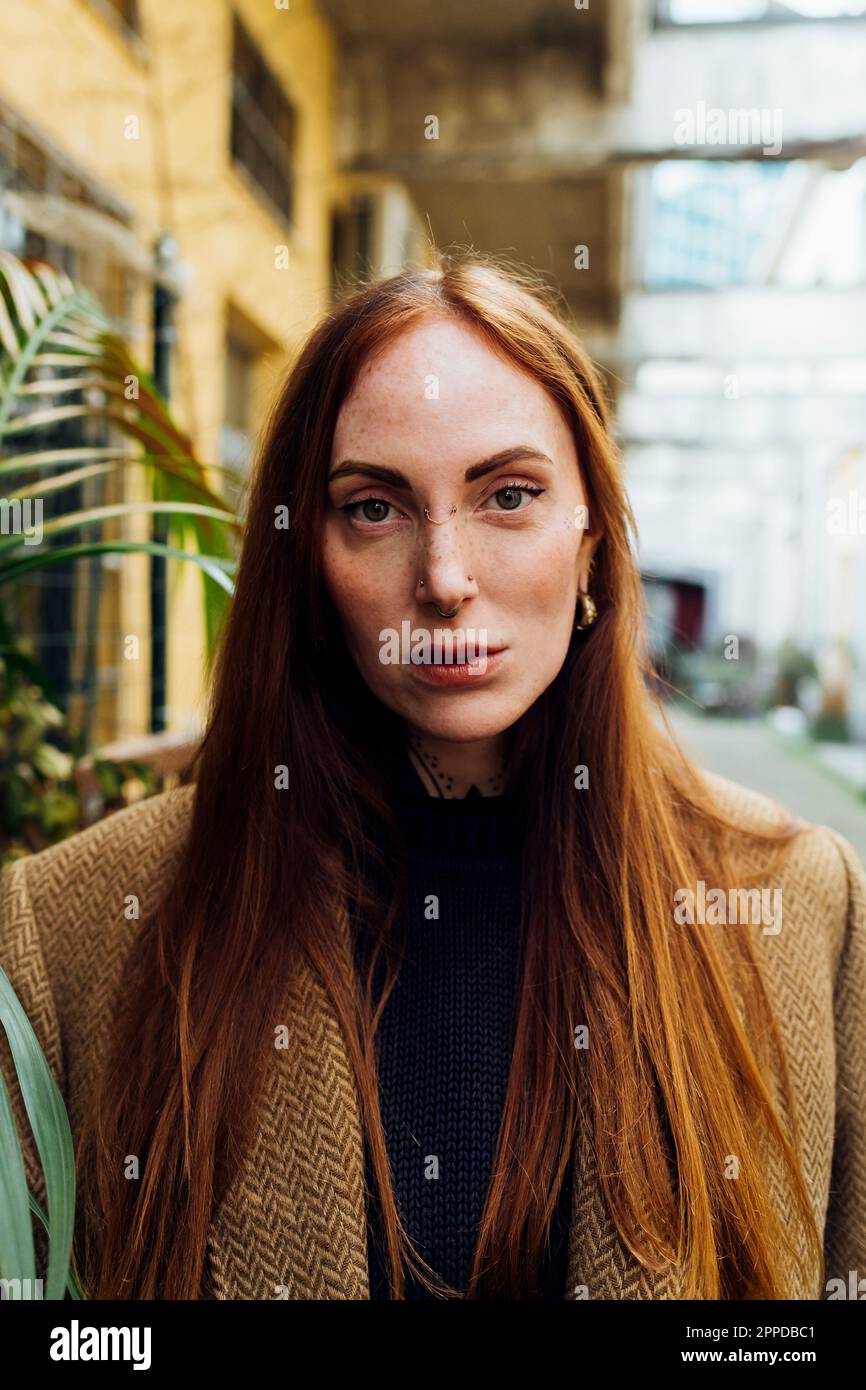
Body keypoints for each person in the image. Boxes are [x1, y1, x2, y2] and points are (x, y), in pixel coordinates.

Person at [1, 254, 864, 1300]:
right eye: (374, 507)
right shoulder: (74, 927)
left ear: (589, 538)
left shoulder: (796, 905)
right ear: (304, 554)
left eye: (508, 495)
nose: (445, 580)